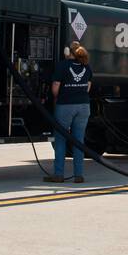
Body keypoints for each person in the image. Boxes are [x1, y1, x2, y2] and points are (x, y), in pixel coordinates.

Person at [47, 43, 93, 184]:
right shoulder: (87, 67)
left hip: (65, 106)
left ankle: (58, 174)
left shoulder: (63, 65)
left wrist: (57, 96)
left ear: (68, 52)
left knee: (60, 139)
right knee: (78, 141)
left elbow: (55, 87)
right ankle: (78, 175)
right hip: (84, 106)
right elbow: (88, 88)